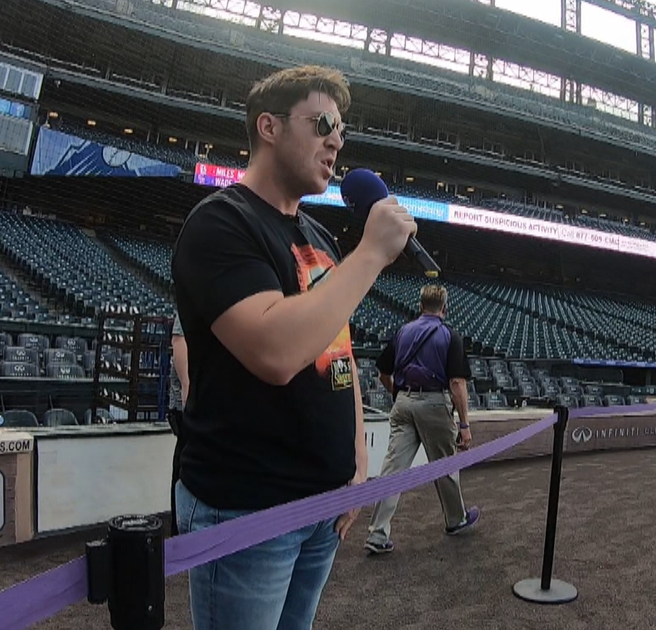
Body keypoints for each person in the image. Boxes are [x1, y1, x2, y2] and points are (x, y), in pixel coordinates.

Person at [169, 65, 418, 630]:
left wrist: (356, 470)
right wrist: (371, 255)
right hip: (248, 507)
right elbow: (278, 353)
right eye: (323, 122)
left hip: (323, 505)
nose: (337, 140)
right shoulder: (220, 223)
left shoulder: (321, 237)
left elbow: (341, 357)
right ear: (270, 127)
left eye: (343, 130)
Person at [365, 284, 479, 555]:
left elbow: (382, 372)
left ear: (420, 306)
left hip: (403, 402)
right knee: (446, 466)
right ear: (444, 309)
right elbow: (457, 383)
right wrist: (464, 424)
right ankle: (455, 520)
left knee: (392, 470)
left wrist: (398, 394)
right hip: (433, 403)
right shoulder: (449, 335)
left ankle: (377, 534)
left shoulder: (403, 331)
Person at [166, 312, 188, 536]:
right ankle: (178, 529)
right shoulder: (190, 299)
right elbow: (179, 343)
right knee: (183, 466)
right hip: (185, 408)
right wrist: (188, 393)